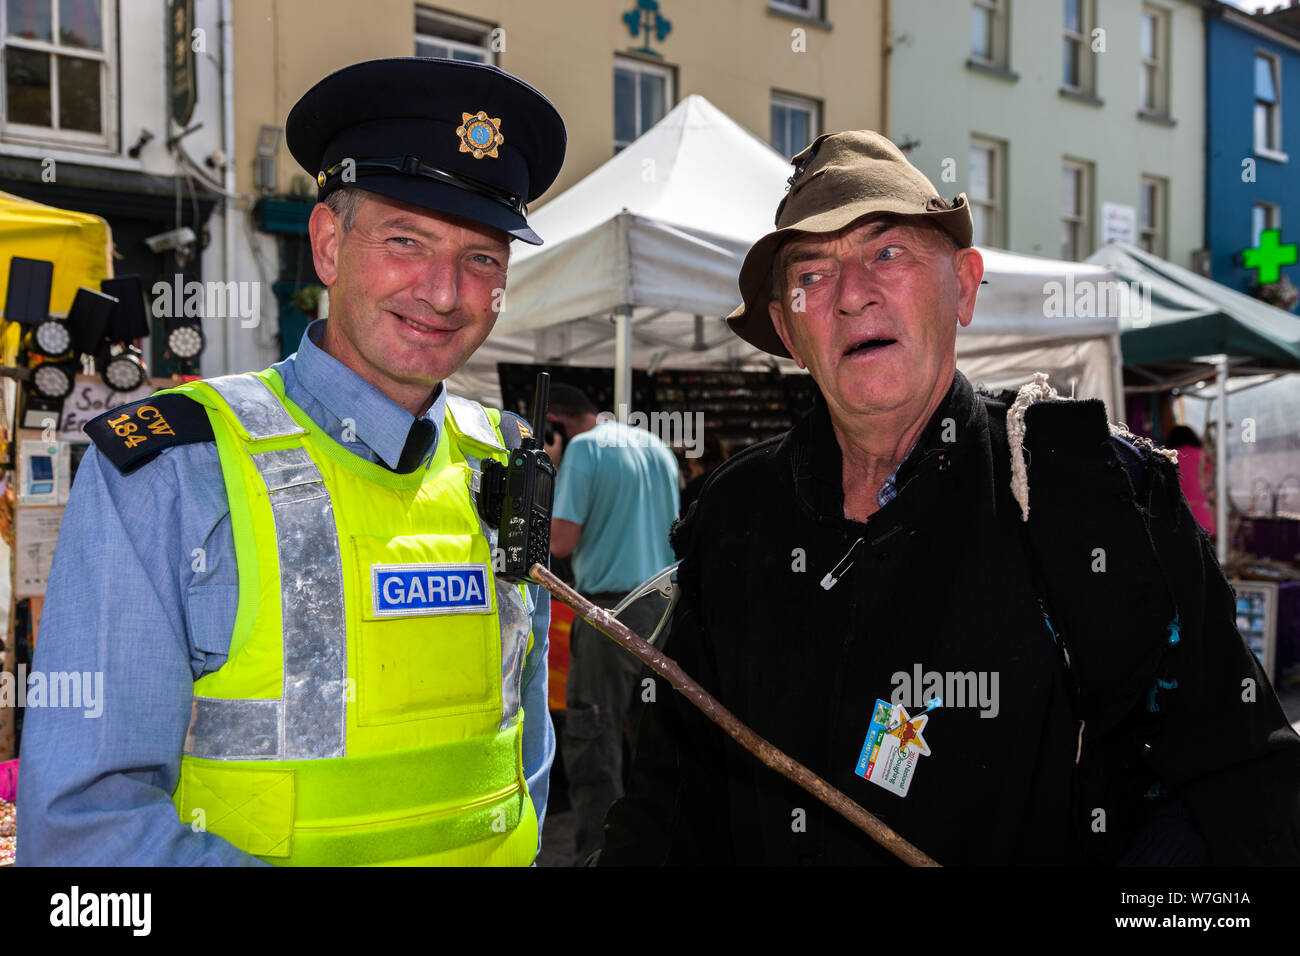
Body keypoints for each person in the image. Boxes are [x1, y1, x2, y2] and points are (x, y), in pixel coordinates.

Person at [600, 131, 1300, 865]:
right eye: (812, 272)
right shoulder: (736, 513)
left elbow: (1235, 779)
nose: (852, 295)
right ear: (787, 329)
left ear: (964, 286)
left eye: (888, 253)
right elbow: (667, 790)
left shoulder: (1089, 491)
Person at [17, 57, 567, 866]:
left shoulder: (506, 456)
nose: (445, 292)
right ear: (328, 244)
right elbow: (81, 836)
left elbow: (521, 752)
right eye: (405, 240)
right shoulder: (173, 469)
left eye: (482, 258)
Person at [546, 384, 679, 863]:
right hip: (665, 610)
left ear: (557, 422)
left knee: (593, 741)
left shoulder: (582, 450)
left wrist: (554, 467)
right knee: (654, 742)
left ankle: (601, 856)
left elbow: (560, 542)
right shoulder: (655, 444)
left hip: (610, 613)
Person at [1166, 424, 1215, 535]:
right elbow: (1212, 483)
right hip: (1204, 514)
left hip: (1177, 515)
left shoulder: (1168, 458)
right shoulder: (1203, 456)